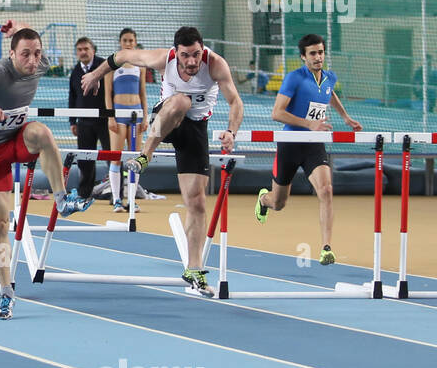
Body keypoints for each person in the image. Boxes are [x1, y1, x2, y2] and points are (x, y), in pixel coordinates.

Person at [79, 26, 244, 297]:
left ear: (202, 51)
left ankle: (194, 268)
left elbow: (235, 102)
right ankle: (146, 155)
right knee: (180, 102)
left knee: (197, 201)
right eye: (185, 56)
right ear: (176, 53)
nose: (191, 62)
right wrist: (96, 75)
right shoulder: (162, 59)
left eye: (196, 55)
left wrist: (231, 132)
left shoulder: (215, 65)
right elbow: (122, 56)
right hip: (165, 120)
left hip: (195, 130)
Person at [0, 21, 90, 320]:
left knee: (41, 131)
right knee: (0, 224)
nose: (32, 60)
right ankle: (6, 291)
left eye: (36, 54)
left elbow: (29, 41)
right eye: (25, 54)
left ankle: (62, 199)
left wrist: (21, 27)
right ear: (12, 54)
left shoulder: (39, 65)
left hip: (17, 140)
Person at [253, 34, 363, 265]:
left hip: (314, 145)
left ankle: (326, 247)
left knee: (326, 190)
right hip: (289, 144)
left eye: (321, 52)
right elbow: (277, 113)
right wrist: (309, 123)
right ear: (303, 56)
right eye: (312, 53)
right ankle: (264, 201)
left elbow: (329, 93)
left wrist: (345, 117)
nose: (318, 57)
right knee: (279, 203)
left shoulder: (330, 77)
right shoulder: (294, 78)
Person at [102, 28, 148, 212]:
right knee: (116, 158)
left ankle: (131, 199)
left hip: (136, 113)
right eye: (125, 40)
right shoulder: (112, 64)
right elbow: (107, 94)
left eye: (131, 40)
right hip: (119, 113)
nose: (128, 43)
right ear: (120, 42)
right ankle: (116, 200)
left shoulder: (141, 65)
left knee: (135, 159)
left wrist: (145, 117)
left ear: (135, 42)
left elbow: (143, 93)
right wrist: (110, 117)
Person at [67, 36, 108, 214]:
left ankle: (117, 193)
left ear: (93, 50)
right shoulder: (75, 71)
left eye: (86, 48)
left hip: (105, 121)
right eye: (80, 49)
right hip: (83, 122)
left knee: (111, 156)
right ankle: (84, 194)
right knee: (85, 159)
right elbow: (72, 96)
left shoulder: (104, 66)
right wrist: (72, 121)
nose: (83, 52)